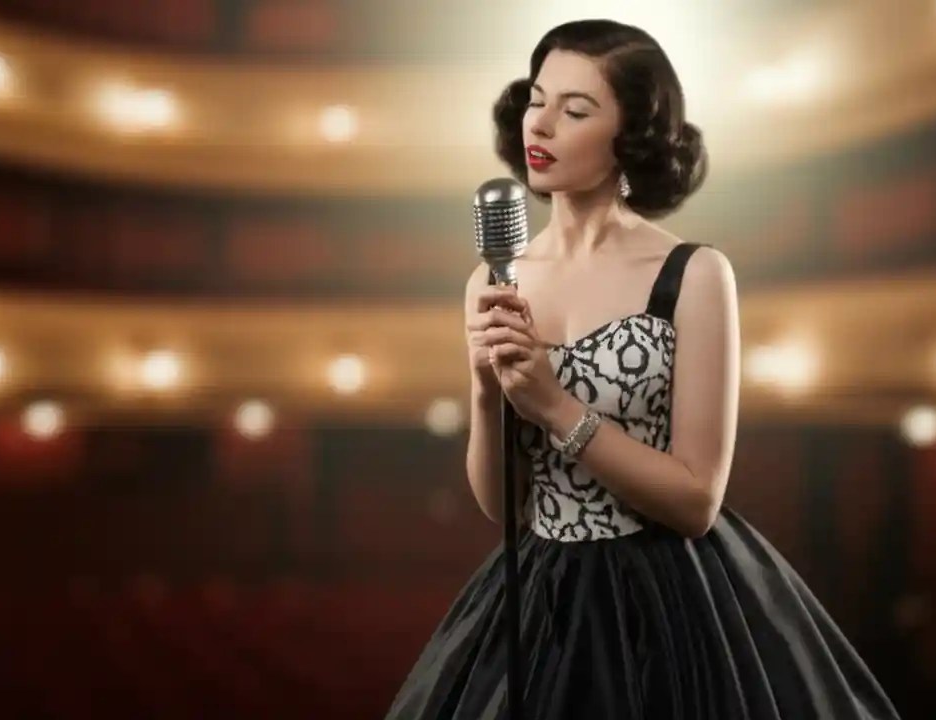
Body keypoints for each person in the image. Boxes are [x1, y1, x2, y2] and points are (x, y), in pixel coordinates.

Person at [384, 19, 901, 719]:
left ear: (632, 134)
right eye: (537, 99)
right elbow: (503, 510)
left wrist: (554, 407)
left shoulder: (695, 275)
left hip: (666, 600)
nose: (543, 124)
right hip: (536, 597)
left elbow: (695, 502)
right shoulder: (493, 279)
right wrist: (484, 391)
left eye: (577, 110)